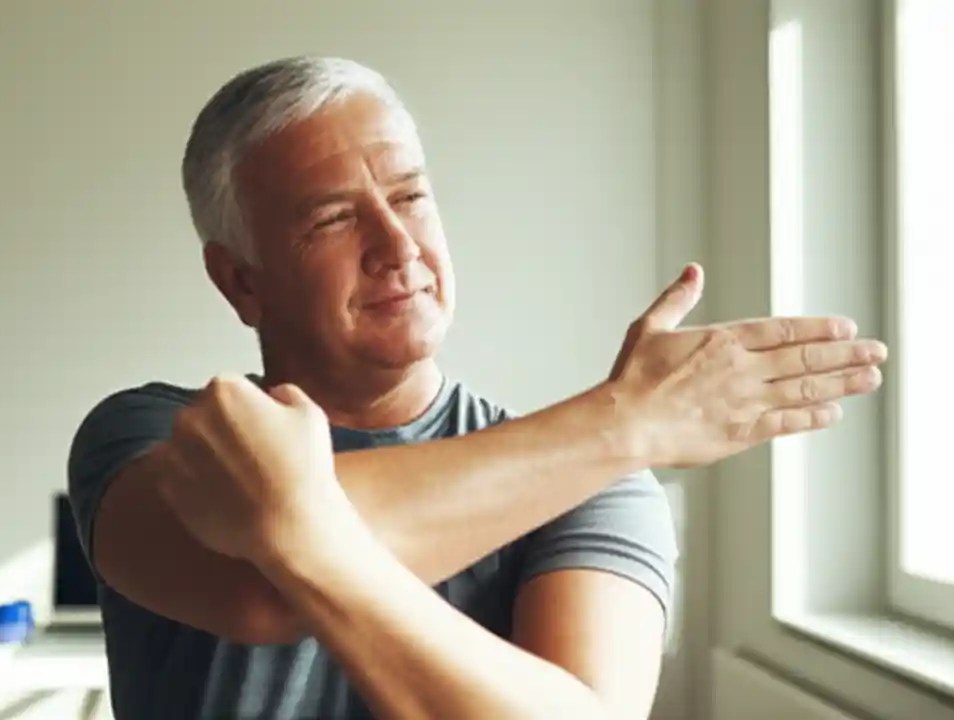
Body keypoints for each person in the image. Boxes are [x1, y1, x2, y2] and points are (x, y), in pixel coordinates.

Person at [68, 57, 887, 719]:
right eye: (332, 219)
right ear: (241, 282)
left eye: (410, 196)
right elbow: (252, 589)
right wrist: (621, 422)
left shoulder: (600, 484)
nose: (398, 245)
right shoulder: (150, 436)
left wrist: (300, 535)